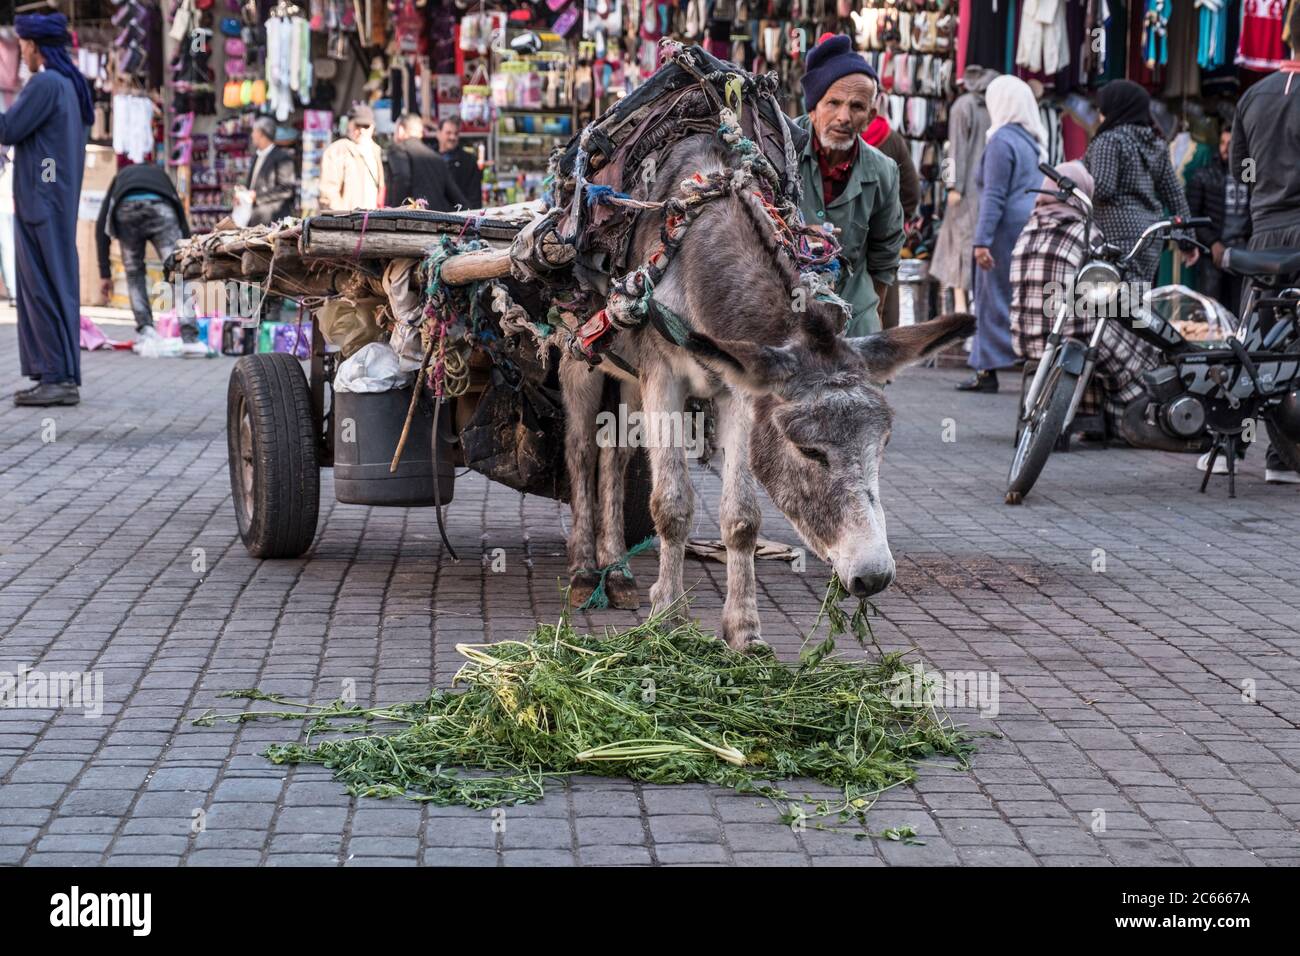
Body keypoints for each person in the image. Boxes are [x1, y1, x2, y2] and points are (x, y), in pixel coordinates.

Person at [1009, 160, 1172, 447]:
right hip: (1071, 337)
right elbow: (1111, 294)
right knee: (1136, 345)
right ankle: (1125, 418)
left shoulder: (1028, 230)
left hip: (1025, 337)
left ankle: (1087, 414)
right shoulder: (1086, 234)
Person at [0, 12, 93, 407]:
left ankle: (57, 378)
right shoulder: (68, 85)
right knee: (53, 285)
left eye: (22, 47)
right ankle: (57, 375)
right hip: (53, 201)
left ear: (35, 46)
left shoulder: (46, 84)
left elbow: (7, 130)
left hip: (42, 201)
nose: (21, 55)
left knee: (42, 288)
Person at [1224, 12, 1300, 485]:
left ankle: (1227, 442)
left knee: (1257, 344)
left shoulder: (1255, 94)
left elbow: (1240, 172)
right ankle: (1282, 454)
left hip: (1265, 233)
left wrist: (1269, 188)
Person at [795, 33, 904, 336]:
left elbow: (885, 253)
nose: (843, 117)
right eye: (833, 103)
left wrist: (873, 315)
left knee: (863, 368)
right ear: (813, 109)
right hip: (785, 299)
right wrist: (794, 235)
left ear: (870, 117)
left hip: (852, 305)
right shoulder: (778, 151)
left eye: (856, 107)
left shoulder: (883, 171)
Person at [959, 75, 1047, 393]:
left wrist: (981, 240)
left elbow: (994, 195)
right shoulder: (1031, 140)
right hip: (1027, 223)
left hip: (1002, 228)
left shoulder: (1001, 141)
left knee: (989, 295)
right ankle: (1024, 356)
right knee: (1017, 295)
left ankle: (987, 368)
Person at [1085, 80, 1197, 287]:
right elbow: (1174, 194)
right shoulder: (1155, 143)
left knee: (1104, 307)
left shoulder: (1109, 141)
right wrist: (1187, 240)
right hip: (1149, 238)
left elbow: (1102, 188)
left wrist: (1075, 184)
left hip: (1114, 236)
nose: (1100, 112)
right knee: (1135, 308)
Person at [94, 159, 204, 354]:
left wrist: (104, 273)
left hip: (125, 208)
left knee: (134, 272)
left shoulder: (121, 177)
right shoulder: (160, 175)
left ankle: (146, 330)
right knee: (178, 271)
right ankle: (190, 338)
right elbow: (179, 214)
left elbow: (101, 224)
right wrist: (190, 259)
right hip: (160, 208)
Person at [931, 65, 998, 313]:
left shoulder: (963, 106)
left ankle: (961, 306)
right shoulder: (993, 105)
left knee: (959, 243)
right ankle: (971, 304)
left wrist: (951, 184)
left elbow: (953, 149)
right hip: (986, 185)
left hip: (966, 188)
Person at [1187, 127, 1251, 318]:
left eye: (1231, 145)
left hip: (1243, 251)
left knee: (1242, 308)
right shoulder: (1205, 175)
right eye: (1222, 143)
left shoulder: (1249, 174)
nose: (1225, 149)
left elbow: (1258, 208)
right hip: (1212, 253)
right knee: (1210, 309)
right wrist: (1213, 242)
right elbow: (1193, 215)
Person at [386, 113, 467, 212]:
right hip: (436, 220)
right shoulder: (437, 158)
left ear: (401, 130)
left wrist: (394, 212)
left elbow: (402, 179)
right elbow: (456, 196)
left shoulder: (398, 149)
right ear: (420, 133)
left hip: (411, 219)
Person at [318, 103, 384, 211]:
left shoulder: (376, 150)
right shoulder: (336, 150)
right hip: (347, 221)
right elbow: (328, 192)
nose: (362, 130)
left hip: (373, 220)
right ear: (349, 124)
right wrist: (343, 219)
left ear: (373, 127)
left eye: (366, 126)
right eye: (358, 125)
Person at [245, 115, 298, 226]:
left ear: (261, 134)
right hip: (255, 219)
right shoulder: (257, 156)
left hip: (272, 221)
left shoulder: (283, 157)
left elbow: (286, 189)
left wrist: (257, 196)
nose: (252, 135)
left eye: (254, 132)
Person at [436, 116, 481, 209]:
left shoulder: (469, 161)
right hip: (433, 216)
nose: (452, 137)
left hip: (460, 217)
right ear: (438, 133)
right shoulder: (429, 159)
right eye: (448, 133)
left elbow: (475, 196)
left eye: (456, 134)